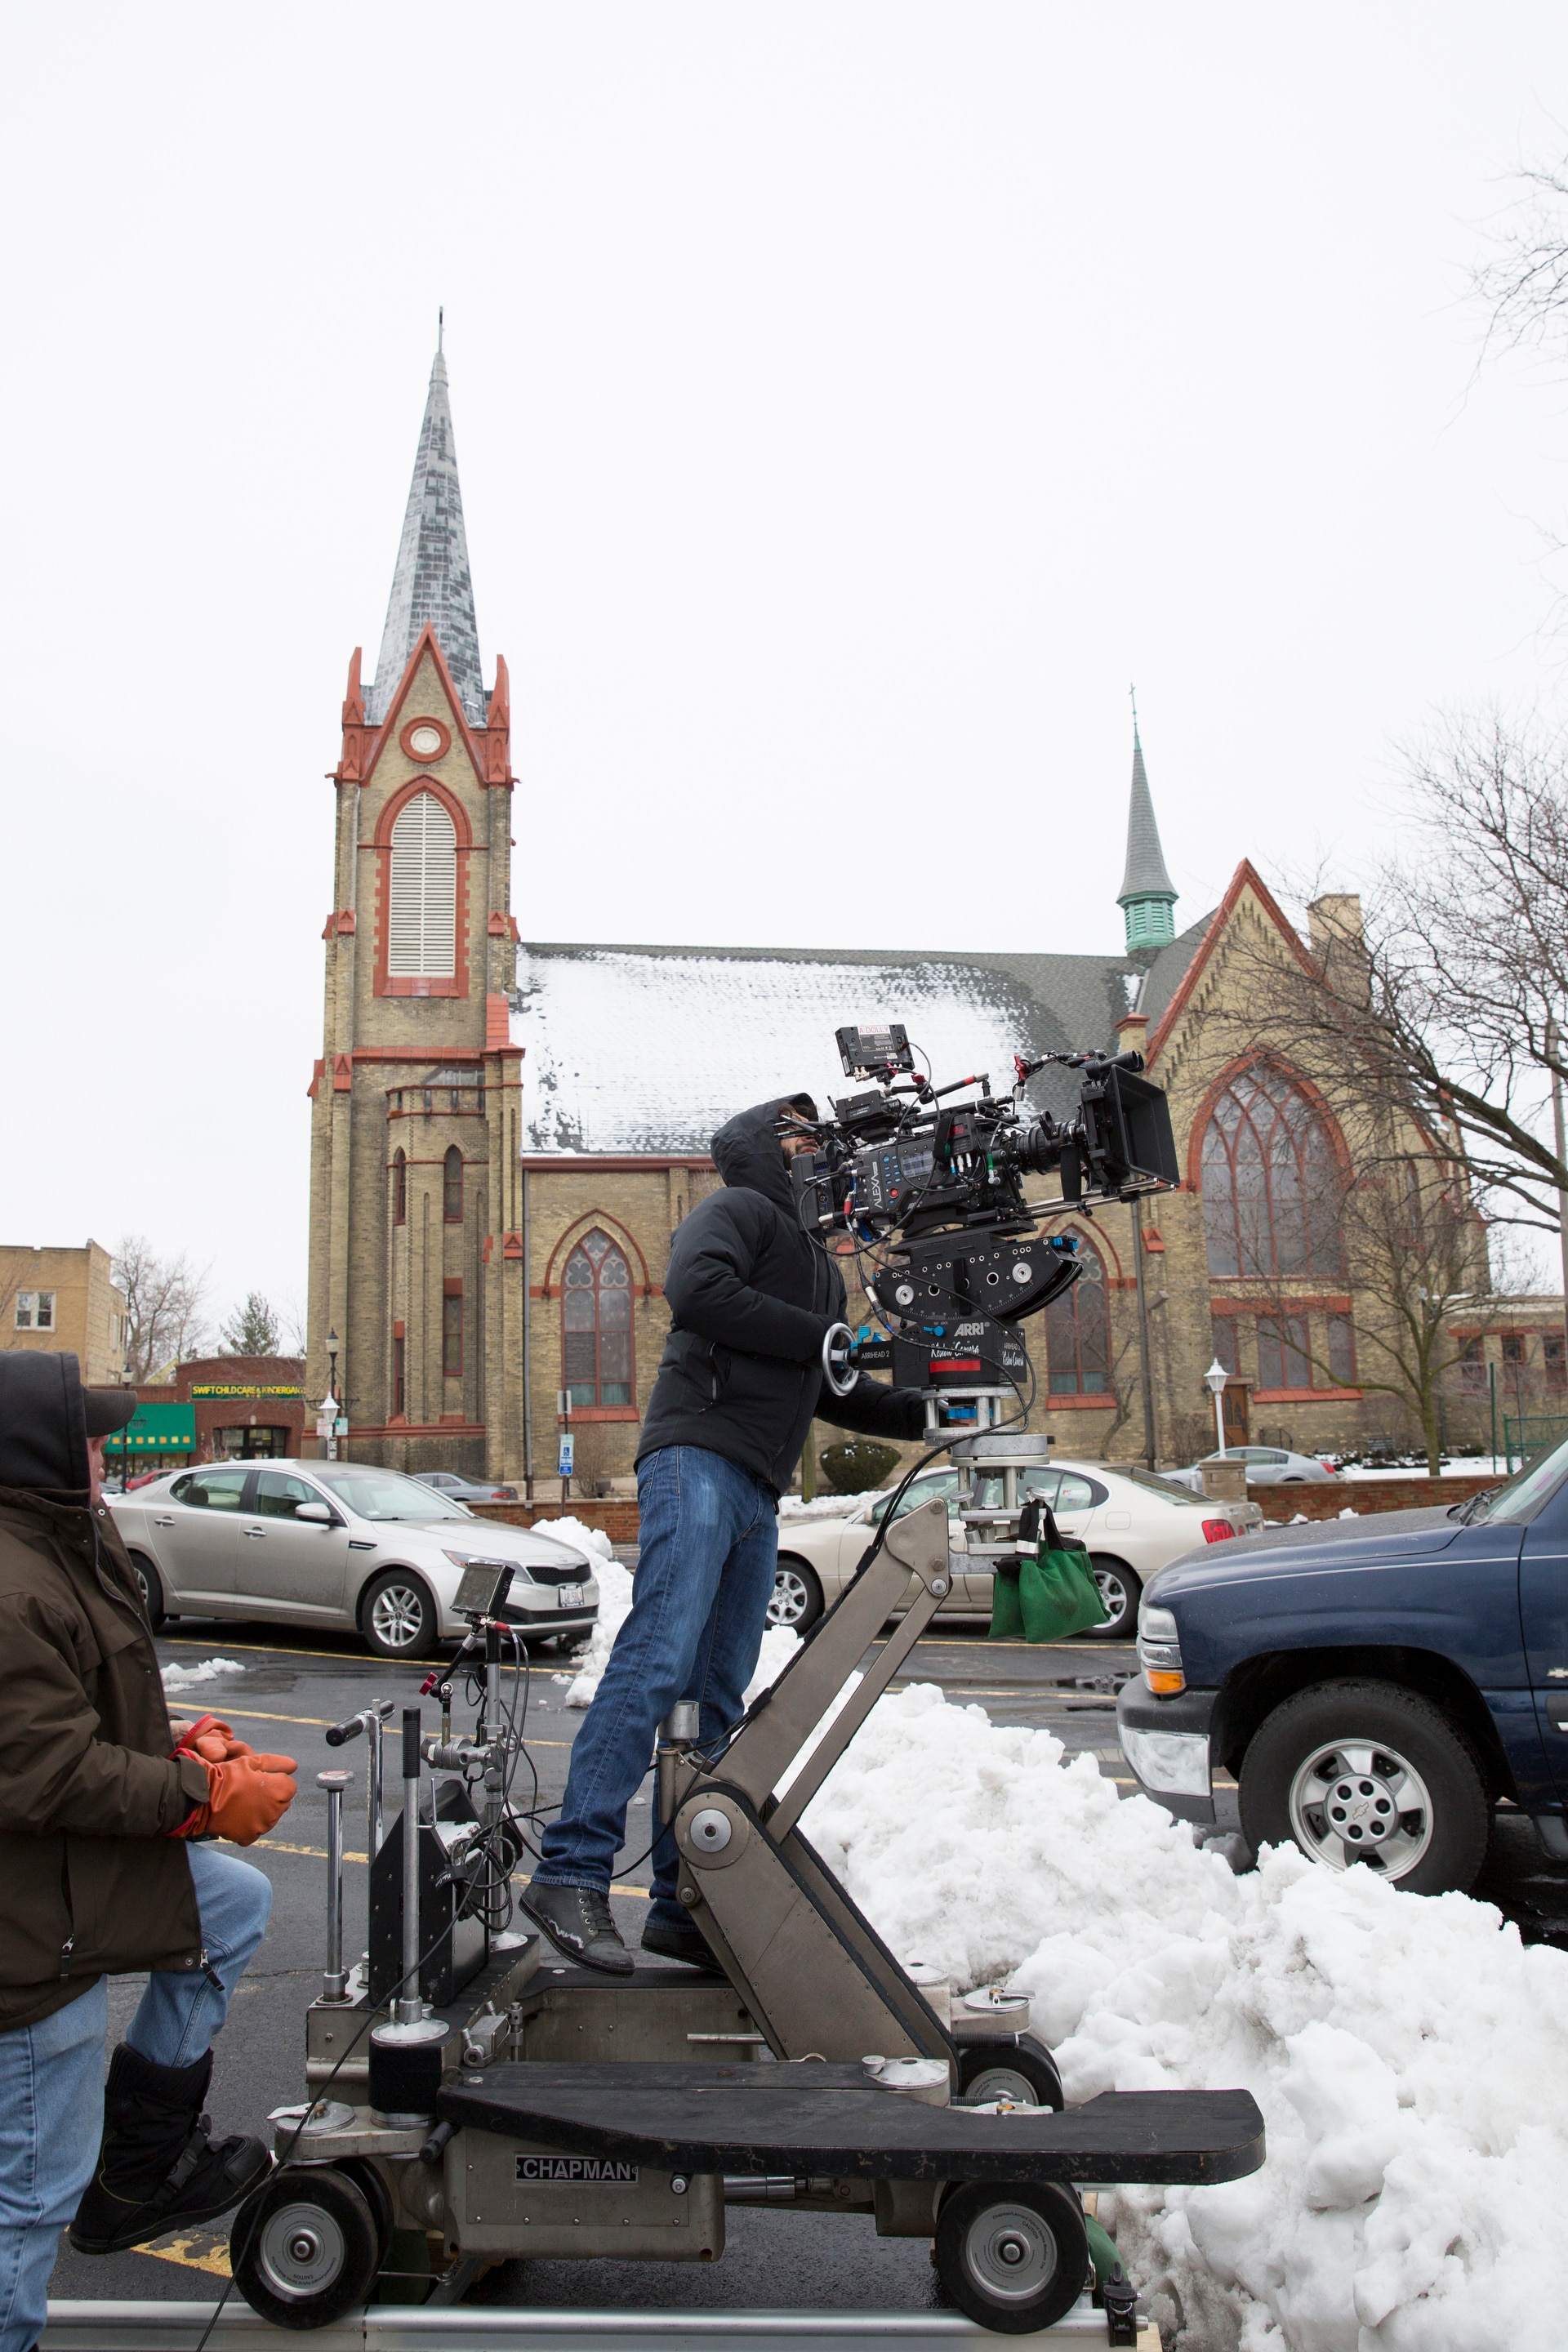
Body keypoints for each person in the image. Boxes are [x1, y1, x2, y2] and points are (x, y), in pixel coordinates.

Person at [523, 1094, 929, 1975]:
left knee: (715, 1701)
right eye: (799, 1136)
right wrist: (821, 1337)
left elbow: (829, 1382)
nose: (816, 1149)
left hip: (755, 1487)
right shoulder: (737, 1208)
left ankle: (684, 1906)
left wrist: (925, 1412)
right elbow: (697, 1290)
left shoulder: (820, 1266)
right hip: (696, 1458)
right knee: (656, 1658)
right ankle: (571, 1872)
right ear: (764, 1147)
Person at [0, 1352, 297, 2352]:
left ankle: (136, 2168)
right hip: (29, 1920)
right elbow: (48, 1772)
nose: (105, 1455)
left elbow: (73, 1712)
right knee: (29, 2195)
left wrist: (180, 1742)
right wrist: (200, 1797)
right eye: (89, 1440)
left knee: (233, 1904)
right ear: (36, 1455)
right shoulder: (11, 1584)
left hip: (70, 1864)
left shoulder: (64, 1538)